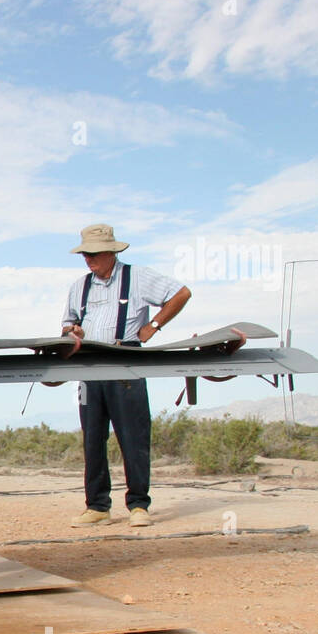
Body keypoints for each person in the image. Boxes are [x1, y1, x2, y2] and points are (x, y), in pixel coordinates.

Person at [61, 223, 191, 528]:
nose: (88, 260)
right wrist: (72, 331)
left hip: (126, 363)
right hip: (89, 365)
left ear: (111, 252)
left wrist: (154, 326)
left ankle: (138, 505)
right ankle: (97, 506)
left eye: (93, 254)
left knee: (133, 436)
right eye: (85, 254)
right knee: (92, 439)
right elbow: (68, 324)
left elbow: (181, 293)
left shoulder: (138, 277)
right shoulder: (79, 286)